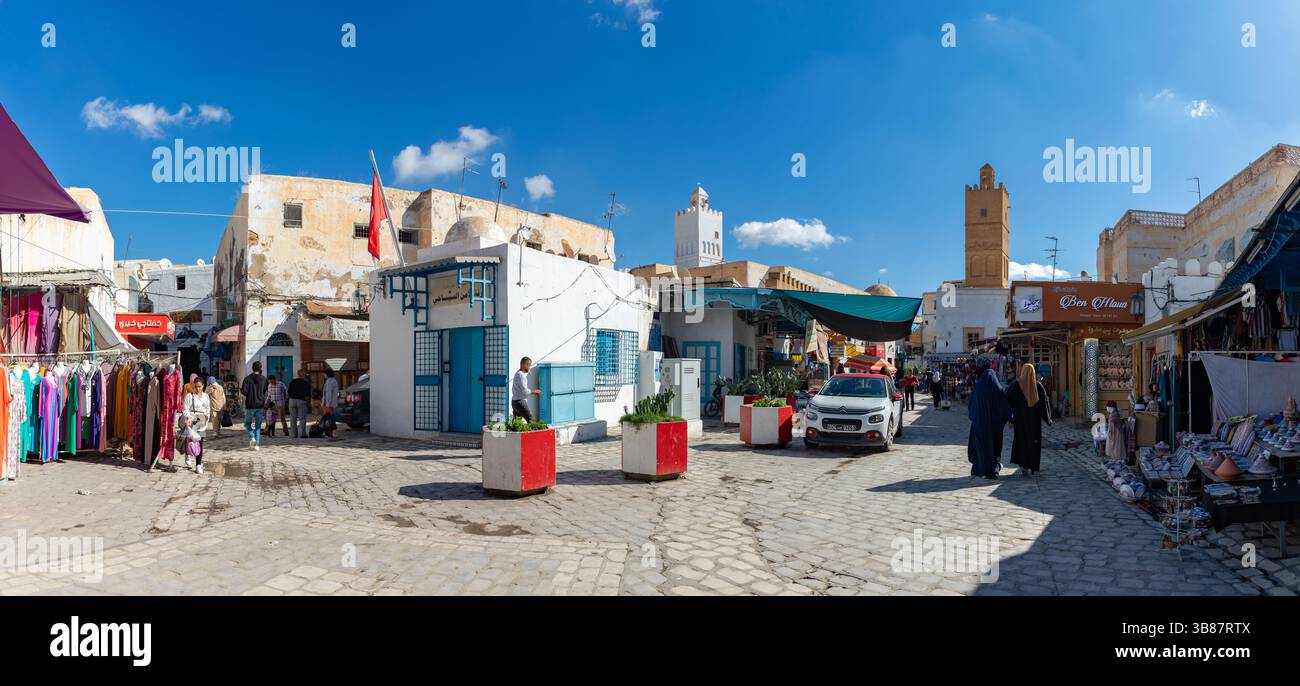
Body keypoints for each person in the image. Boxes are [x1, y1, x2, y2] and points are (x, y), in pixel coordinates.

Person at [1007, 363, 1052, 477]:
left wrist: (1010, 419)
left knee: (1021, 442)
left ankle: (1023, 466)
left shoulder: (1016, 385)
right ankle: (1031, 465)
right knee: (1032, 442)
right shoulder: (1038, 386)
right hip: (1034, 422)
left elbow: (1007, 401)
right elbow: (1044, 404)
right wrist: (1048, 419)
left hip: (1019, 421)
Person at [967, 366, 1009, 479]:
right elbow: (1004, 408)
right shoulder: (998, 389)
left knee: (981, 447)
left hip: (979, 425)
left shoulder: (977, 388)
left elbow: (971, 408)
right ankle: (994, 468)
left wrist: (975, 418)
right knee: (994, 446)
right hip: (994, 427)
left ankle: (980, 469)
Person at [182, 376, 211, 474]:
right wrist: (188, 417)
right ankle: (188, 453)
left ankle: (198, 465)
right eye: (196, 386)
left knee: (200, 443)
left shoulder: (206, 396)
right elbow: (185, 409)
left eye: (199, 386)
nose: (198, 388)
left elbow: (208, 409)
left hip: (202, 421)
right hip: (192, 420)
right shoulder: (189, 396)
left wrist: (206, 417)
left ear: (203, 386)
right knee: (190, 440)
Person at [240, 361, 269, 450]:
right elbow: (265, 391)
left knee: (247, 423)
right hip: (260, 404)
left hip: (250, 404)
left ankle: (252, 436)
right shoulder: (264, 379)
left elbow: (244, 392)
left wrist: (243, 390)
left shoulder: (247, 379)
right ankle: (257, 445)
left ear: (252, 368)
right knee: (258, 426)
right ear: (261, 368)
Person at [510, 357, 543, 421]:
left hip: (514, 401)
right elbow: (525, 391)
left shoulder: (518, 373)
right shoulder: (521, 375)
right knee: (531, 421)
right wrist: (535, 392)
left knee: (517, 423)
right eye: (529, 365)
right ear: (524, 365)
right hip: (520, 402)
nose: (530, 367)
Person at [288, 369, 312, 438]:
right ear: (304, 375)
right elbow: (307, 395)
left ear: (298, 374)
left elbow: (289, 392)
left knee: (293, 418)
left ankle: (293, 434)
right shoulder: (306, 383)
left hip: (292, 400)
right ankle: (303, 434)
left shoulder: (292, 382)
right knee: (302, 418)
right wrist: (308, 404)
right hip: (301, 401)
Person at [321, 369, 340, 439]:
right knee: (330, 418)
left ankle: (328, 433)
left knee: (327, 419)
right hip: (332, 403)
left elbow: (328, 393)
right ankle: (329, 433)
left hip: (328, 403)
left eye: (324, 374)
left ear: (327, 374)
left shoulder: (329, 381)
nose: (323, 375)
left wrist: (327, 404)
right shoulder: (334, 380)